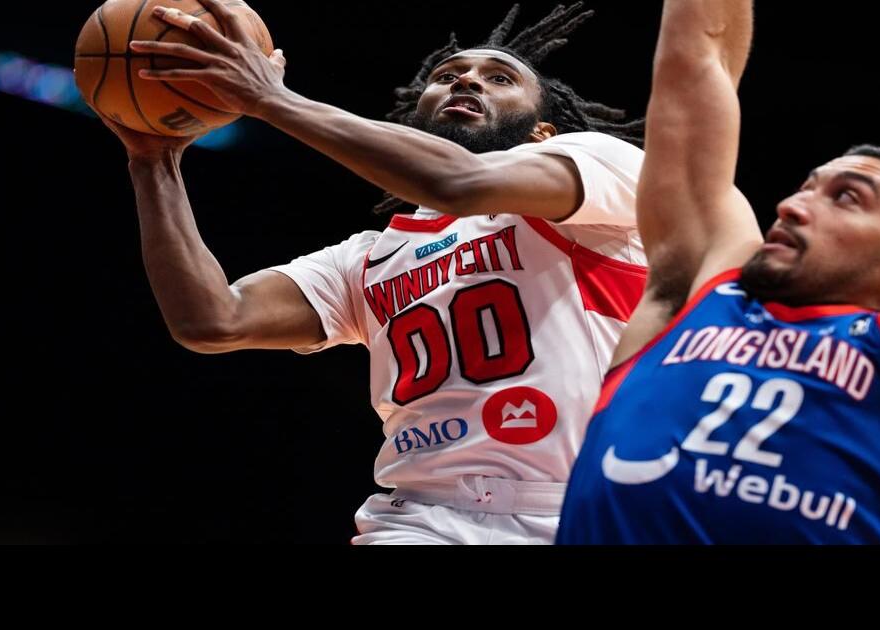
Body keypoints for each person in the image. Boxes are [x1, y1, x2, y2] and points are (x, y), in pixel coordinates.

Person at [103, 1, 649, 544]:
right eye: (446, 76)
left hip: (596, 505)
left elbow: (457, 183)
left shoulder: (598, 166)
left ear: (542, 134)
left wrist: (272, 99)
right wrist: (154, 164)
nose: (465, 82)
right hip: (424, 520)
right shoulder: (367, 258)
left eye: (499, 78)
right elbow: (212, 320)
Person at [557, 0, 880, 544]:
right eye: (806, 187)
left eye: (847, 197)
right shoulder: (695, 290)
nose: (790, 206)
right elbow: (698, 57)